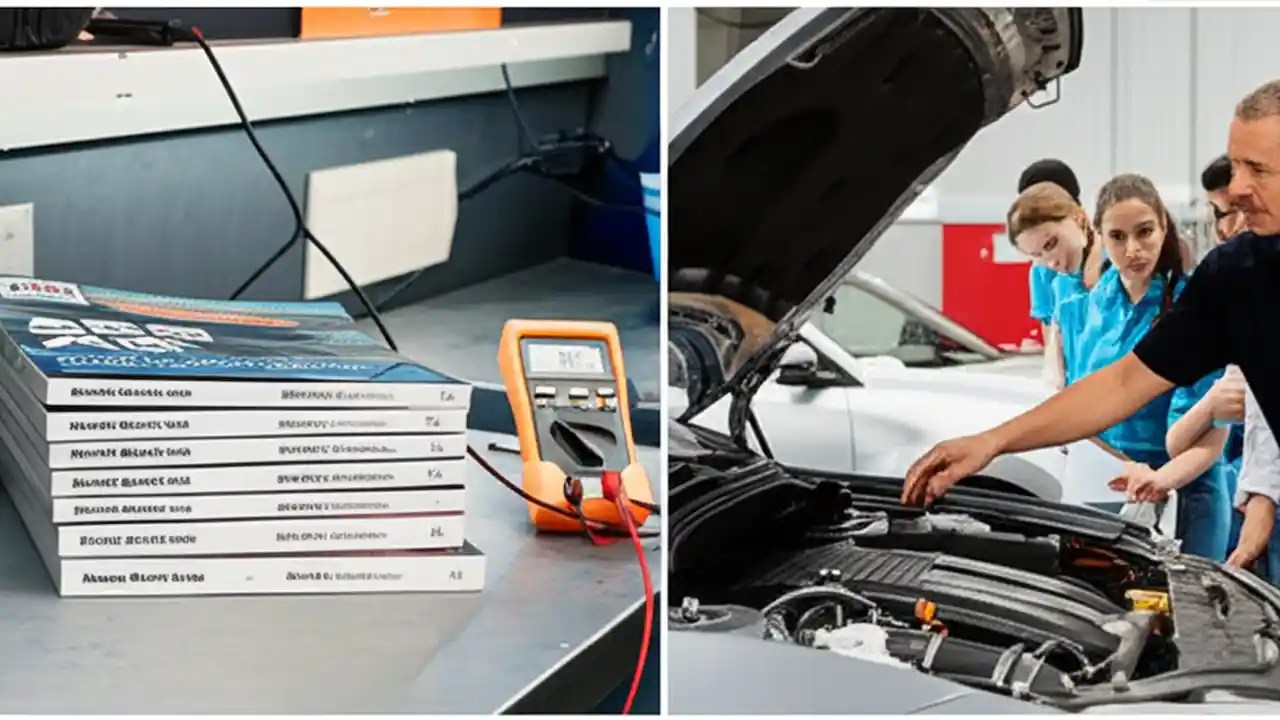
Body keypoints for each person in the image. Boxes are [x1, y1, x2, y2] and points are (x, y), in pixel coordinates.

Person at [900, 79, 1280, 528]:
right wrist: (992, 442)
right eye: (1235, 166)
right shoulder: (1236, 277)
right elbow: (1121, 384)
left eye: (1257, 169)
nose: (1235, 189)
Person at [1050, 174, 1229, 560]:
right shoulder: (1083, 310)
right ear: (1098, 234)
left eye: (1145, 232)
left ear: (1163, 227)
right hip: (1103, 489)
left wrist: (1159, 480)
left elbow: (1212, 439)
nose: (1133, 249)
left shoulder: (1195, 309)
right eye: (1117, 237)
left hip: (1185, 495)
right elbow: (1077, 404)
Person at [1011, 162, 1106, 387]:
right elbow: (1053, 339)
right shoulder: (1050, 278)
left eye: (1052, 243)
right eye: (1037, 253)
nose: (1051, 261)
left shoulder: (1115, 261)